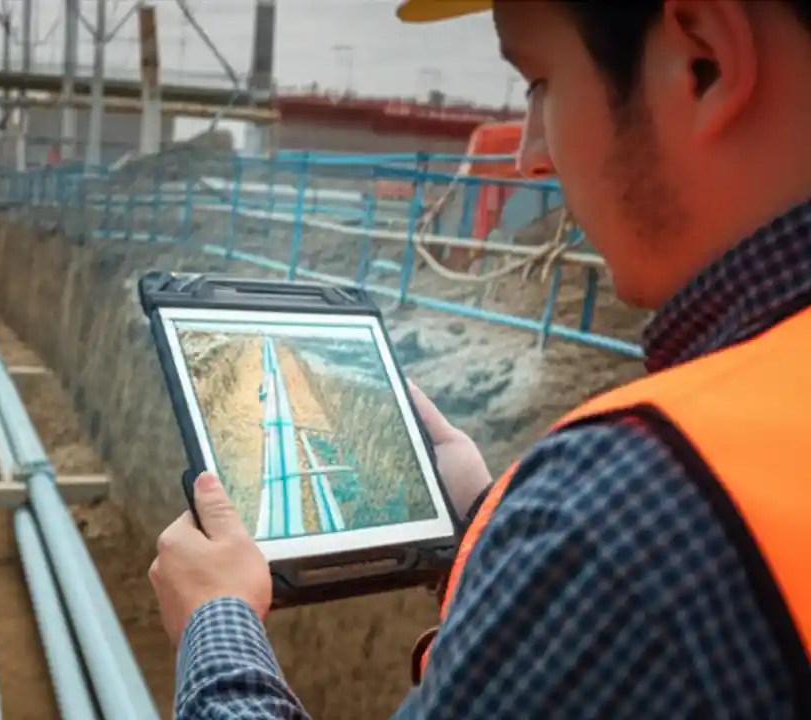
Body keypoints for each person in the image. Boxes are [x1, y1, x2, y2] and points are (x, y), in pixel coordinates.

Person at [147, 0, 811, 717]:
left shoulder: (622, 517)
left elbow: (618, 549)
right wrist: (483, 518)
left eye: (540, 81)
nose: (530, 154)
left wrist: (216, 622)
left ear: (702, 62)